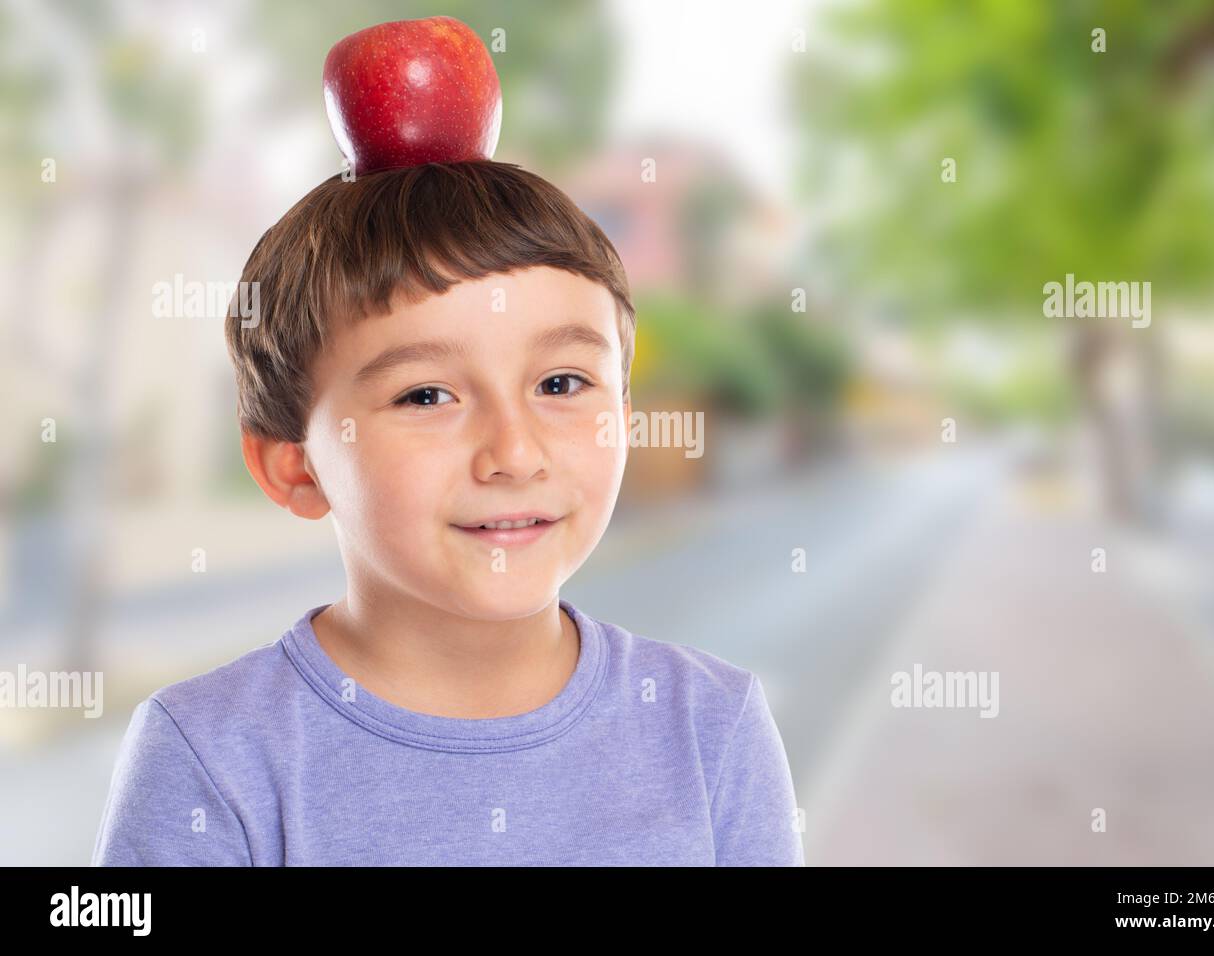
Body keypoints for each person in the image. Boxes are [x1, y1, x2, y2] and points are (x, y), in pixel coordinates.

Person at [91, 160, 804, 866]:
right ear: (295, 464)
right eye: (426, 396)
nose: (515, 453)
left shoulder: (713, 727)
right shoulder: (208, 755)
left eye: (561, 383)